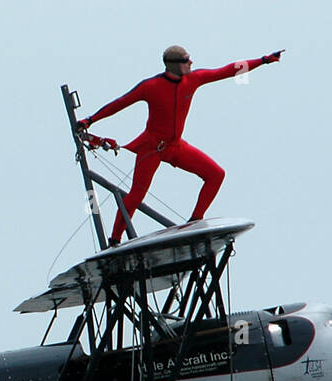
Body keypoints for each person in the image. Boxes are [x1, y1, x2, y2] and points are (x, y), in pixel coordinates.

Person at [77, 46, 283, 246]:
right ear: (172, 65)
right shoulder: (151, 87)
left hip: (175, 147)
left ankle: (194, 222)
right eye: (186, 60)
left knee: (216, 175)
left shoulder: (193, 79)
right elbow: (120, 103)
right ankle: (115, 240)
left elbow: (227, 70)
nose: (191, 62)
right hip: (152, 147)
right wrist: (90, 120)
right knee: (137, 195)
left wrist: (264, 60)